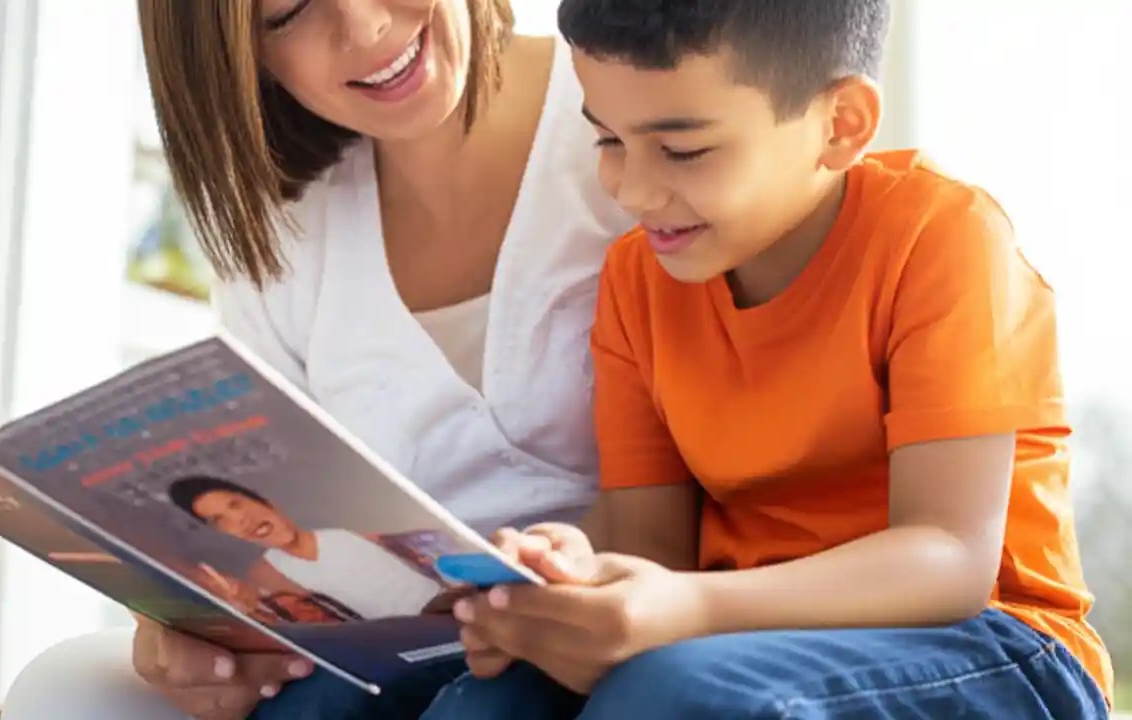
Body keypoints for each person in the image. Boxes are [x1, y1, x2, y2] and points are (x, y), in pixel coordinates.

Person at [437, 1, 1115, 718]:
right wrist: (572, 575)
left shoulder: (942, 237)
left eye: (684, 151)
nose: (632, 191)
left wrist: (692, 606)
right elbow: (653, 549)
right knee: (486, 704)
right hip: (741, 634)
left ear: (840, 124)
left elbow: (950, 560)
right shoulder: (638, 281)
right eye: (608, 140)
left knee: (672, 696)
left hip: (994, 643)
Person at [0, 1, 634, 718]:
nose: (362, 27)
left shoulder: (643, 116)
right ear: (239, 58)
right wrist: (190, 629)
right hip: (398, 644)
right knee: (65, 689)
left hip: (604, 613)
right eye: (288, 12)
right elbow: (261, 503)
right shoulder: (289, 230)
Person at [167, 475, 445, 620]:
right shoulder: (266, 573)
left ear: (266, 502)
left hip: (448, 607)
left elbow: (422, 552)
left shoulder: (346, 530)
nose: (240, 519)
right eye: (220, 521)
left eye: (235, 504)